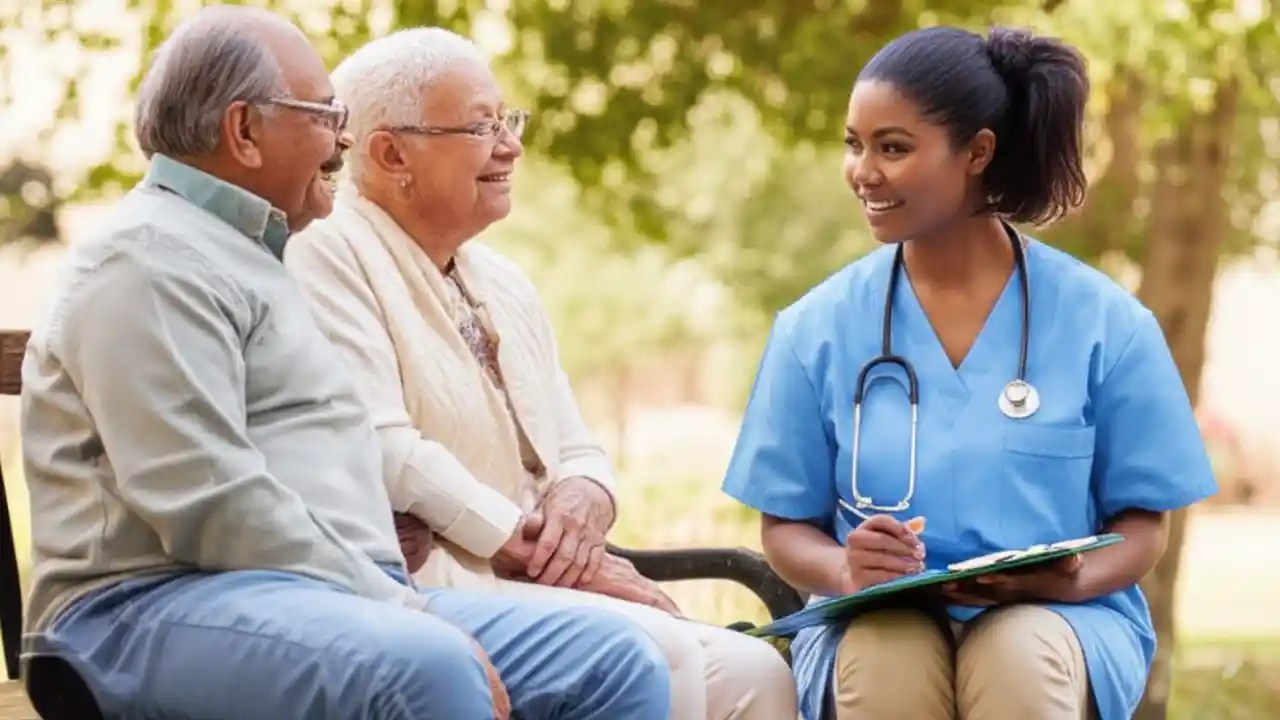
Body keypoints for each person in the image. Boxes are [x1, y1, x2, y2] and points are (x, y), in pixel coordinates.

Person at [19, 7, 671, 719]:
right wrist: (392, 598)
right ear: (244, 132)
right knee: (428, 667)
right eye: (325, 115)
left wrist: (376, 549)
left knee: (611, 659)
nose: (345, 138)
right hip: (140, 611)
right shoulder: (148, 261)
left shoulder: (254, 256)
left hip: (319, 594)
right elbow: (207, 503)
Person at [284, 26, 798, 720]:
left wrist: (585, 498)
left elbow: (575, 444)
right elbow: (384, 444)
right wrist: (536, 549)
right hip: (438, 580)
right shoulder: (326, 251)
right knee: (663, 651)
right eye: (481, 126)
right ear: (390, 153)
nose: (510, 145)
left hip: (545, 577)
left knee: (755, 672)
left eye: (508, 120)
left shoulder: (503, 279)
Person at [721, 25, 1218, 720]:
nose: (863, 171)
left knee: (1017, 656)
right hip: (875, 617)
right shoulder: (816, 328)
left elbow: (1142, 523)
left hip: (1062, 619)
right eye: (854, 144)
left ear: (977, 152)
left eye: (893, 147)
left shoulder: (1106, 323)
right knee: (886, 658)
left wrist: (1068, 583)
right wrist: (843, 568)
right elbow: (784, 526)